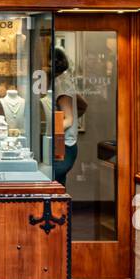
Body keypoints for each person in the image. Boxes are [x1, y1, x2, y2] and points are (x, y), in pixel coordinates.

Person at [52, 47, 89, 187]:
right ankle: (61, 209)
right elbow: (83, 105)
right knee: (59, 184)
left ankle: (58, 209)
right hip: (65, 142)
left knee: (54, 182)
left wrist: (51, 131)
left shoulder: (60, 84)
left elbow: (68, 120)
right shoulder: (65, 81)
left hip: (62, 143)